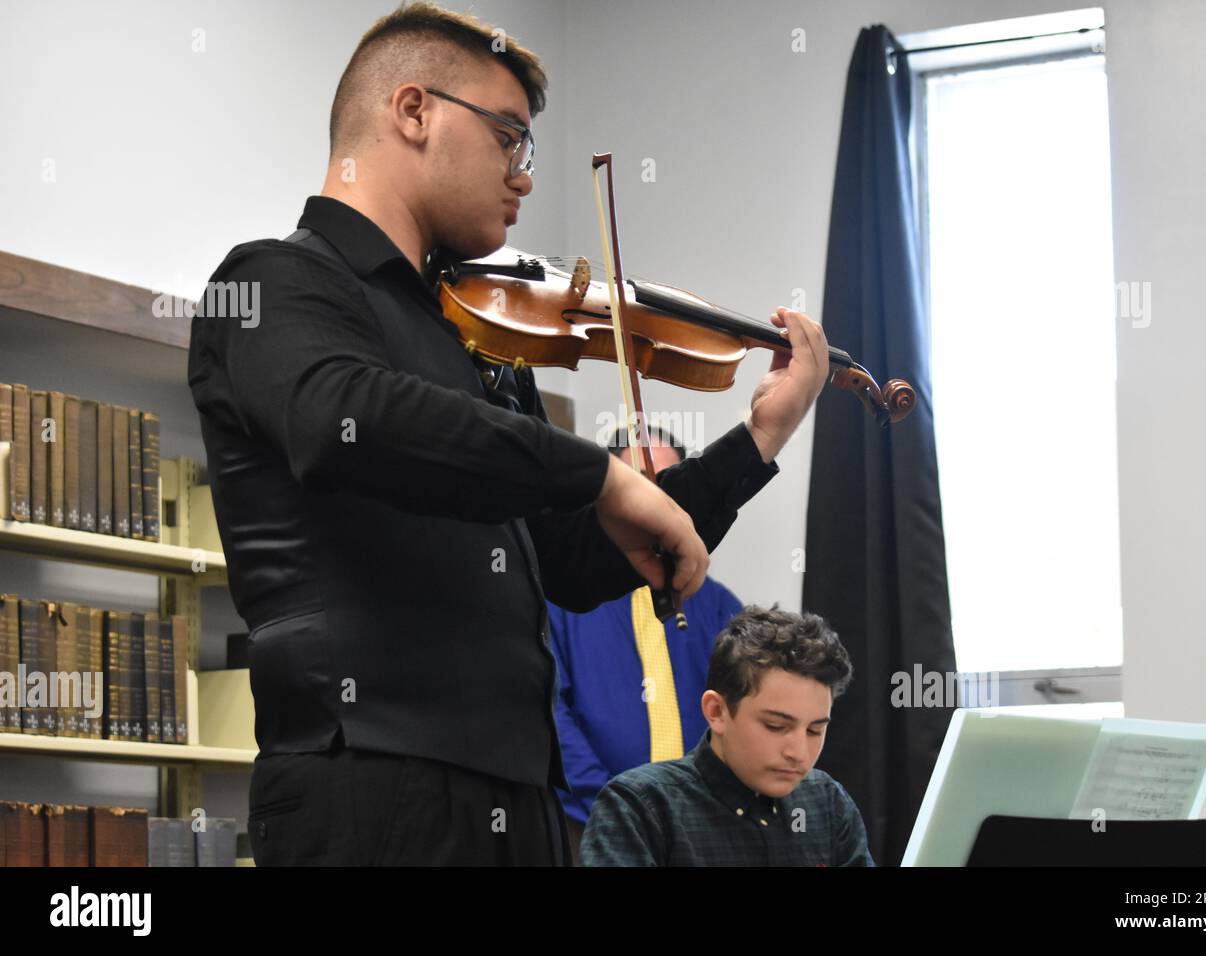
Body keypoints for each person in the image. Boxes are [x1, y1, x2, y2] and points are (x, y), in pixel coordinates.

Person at [187, 2, 830, 866]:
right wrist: (601, 474)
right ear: (412, 111)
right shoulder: (273, 282)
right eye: (508, 137)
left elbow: (568, 559)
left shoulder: (478, 337)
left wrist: (754, 445)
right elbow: (347, 420)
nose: (525, 174)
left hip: (519, 801)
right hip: (370, 783)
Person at [549, 425, 745, 860]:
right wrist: (613, 802)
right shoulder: (564, 598)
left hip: (699, 827)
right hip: (591, 824)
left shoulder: (718, 605)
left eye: (668, 489)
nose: (653, 504)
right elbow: (552, 711)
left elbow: (741, 713)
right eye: (636, 485)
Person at [580, 606, 874, 866]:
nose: (798, 752)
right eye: (775, 726)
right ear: (716, 711)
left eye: (815, 730)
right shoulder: (641, 808)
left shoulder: (827, 802)